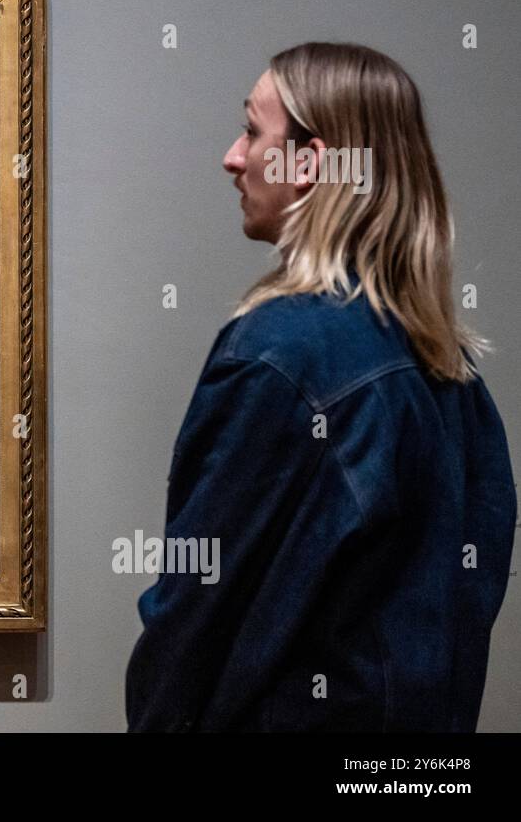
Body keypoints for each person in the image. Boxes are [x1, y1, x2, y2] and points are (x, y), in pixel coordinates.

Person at [125, 42, 516, 731]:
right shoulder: (454, 376)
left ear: (308, 161)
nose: (232, 156)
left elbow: (195, 616)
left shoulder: (280, 356)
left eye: (252, 129)